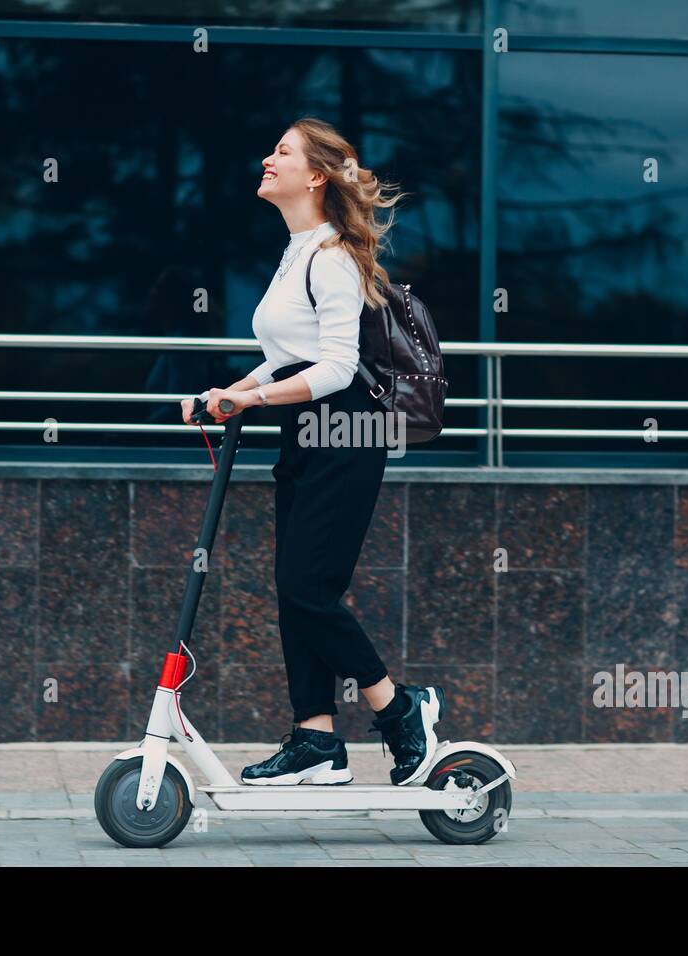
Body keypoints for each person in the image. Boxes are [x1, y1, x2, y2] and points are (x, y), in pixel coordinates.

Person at [180, 117, 445, 786]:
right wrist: (227, 391)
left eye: (282, 153)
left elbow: (333, 368)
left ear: (316, 176)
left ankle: (398, 709)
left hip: (347, 433)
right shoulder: (299, 250)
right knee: (297, 590)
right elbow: (285, 358)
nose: (266, 160)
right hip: (306, 434)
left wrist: (252, 402)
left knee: (306, 589)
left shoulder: (331, 258)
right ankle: (316, 740)